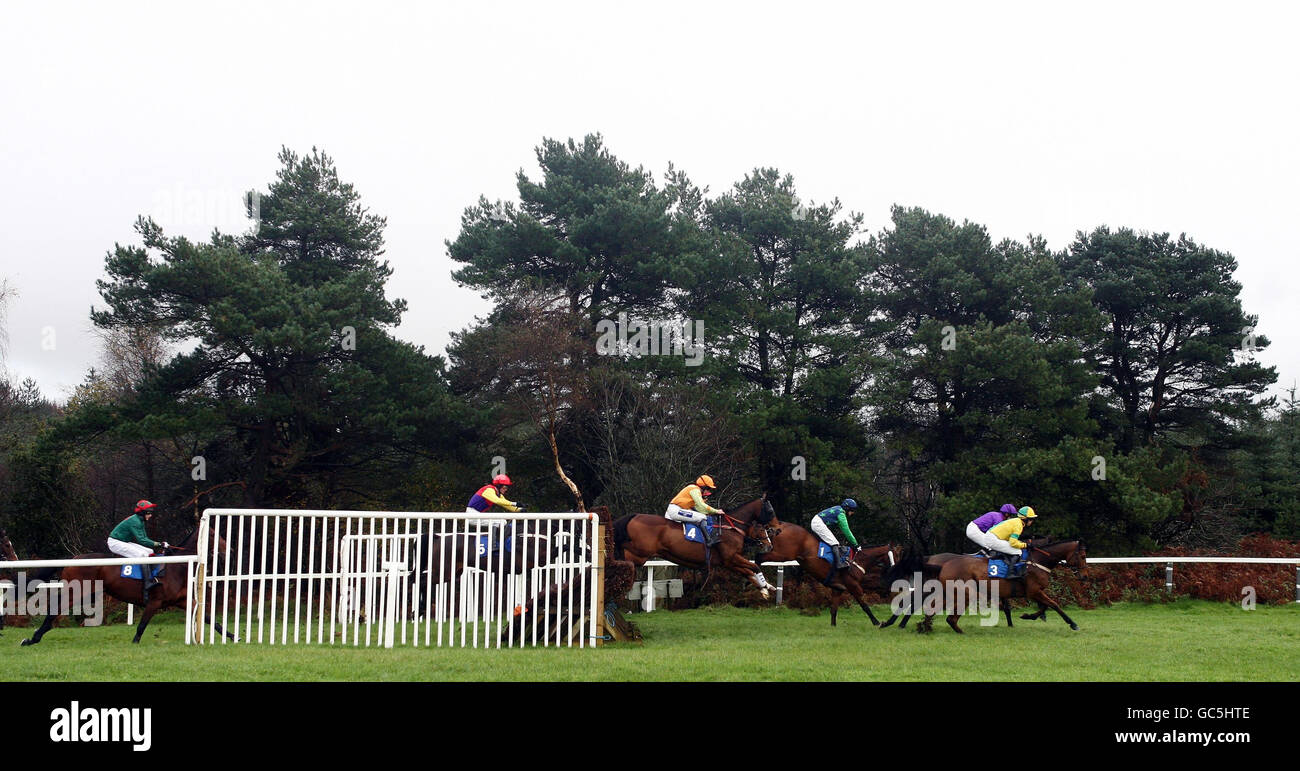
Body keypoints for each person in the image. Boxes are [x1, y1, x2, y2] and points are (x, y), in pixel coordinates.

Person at [107, 500, 169, 603]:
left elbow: (144, 538)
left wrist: (158, 544)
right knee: (142, 555)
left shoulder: (140, 521)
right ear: (142, 513)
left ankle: (152, 575)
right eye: (149, 513)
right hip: (115, 543)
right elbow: (142, 540)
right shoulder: (135, 522)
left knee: (149, 551)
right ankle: (147, 583)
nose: (150, 515)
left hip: (123, 541)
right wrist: (159, 544)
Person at [664, 475, 725, 546]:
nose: (708, 491)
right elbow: (701, 505)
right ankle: (709, 540)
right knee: (702, 517)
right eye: (708, 488)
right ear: (704, 486)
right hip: (675, 510)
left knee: (700, 516)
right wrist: (716, 511)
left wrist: (710, 512)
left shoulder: (693, 490)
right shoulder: (695, 489)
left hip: (676, 510)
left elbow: (698, 508)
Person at [466, 474, 524, 544]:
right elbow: (497, 501)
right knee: (501, 522)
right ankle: (493, 544)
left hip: (477, 514)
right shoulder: (489, 490)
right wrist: (515, 503)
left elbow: (507, 505)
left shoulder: (498, 494)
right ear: (499, 486)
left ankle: (495, 541)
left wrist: (520, 509)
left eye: (507, 488)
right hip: (472, 514)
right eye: (505, 487)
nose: (506, 489)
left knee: (501, 521)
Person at [985, 506, 1037, 572]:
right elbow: (1013, 543)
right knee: (1018, 551)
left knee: (1012, 548)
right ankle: (1010, 573)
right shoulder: (1018, 525)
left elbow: (1012, 539)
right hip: (993, 539)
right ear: (1025, 519)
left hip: (992, 536)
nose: (1032, 521)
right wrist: (1026, 545)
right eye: (1031, 519)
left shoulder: (1016, 521)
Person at [810, 499, 860, 567]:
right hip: (818, 523)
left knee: (832, 541)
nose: (853, 512)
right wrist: (855, 544)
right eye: (852, 510)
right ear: (847, 508)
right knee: (834, 542)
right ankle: (839, 564)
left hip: (817, 521)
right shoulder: (841, 514)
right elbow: (847, 531)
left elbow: (842, 528)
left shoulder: (838, 508)